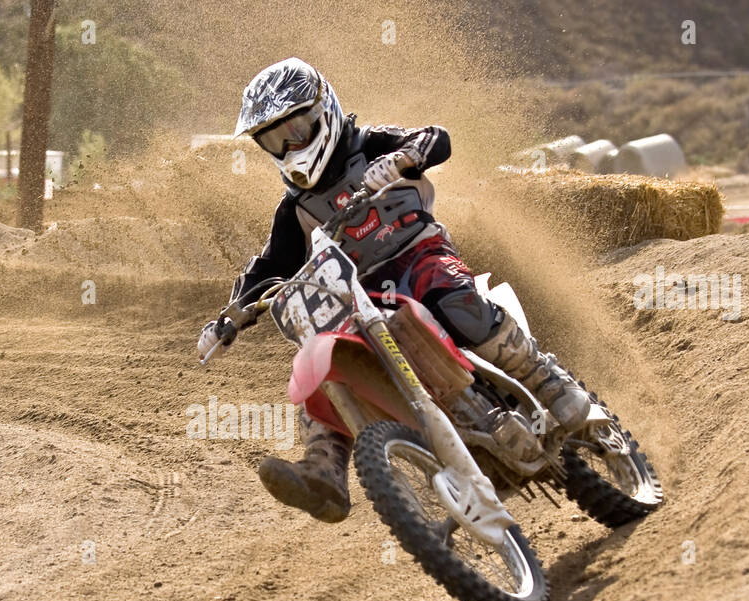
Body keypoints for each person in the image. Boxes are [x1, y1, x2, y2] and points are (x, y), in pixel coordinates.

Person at [197, 57, 589, 523]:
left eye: (296, 129)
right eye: (274, 140)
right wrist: (231, 317)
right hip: (363, 298)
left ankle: (547, 377)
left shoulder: (368, 145)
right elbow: (269, 267)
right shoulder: (294, 208)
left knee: (450, 298)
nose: (290, 145)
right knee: (327, 366)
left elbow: (434, 138)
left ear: (324, 110)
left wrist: (402, 159)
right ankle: (323, 475)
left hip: (419, 258)